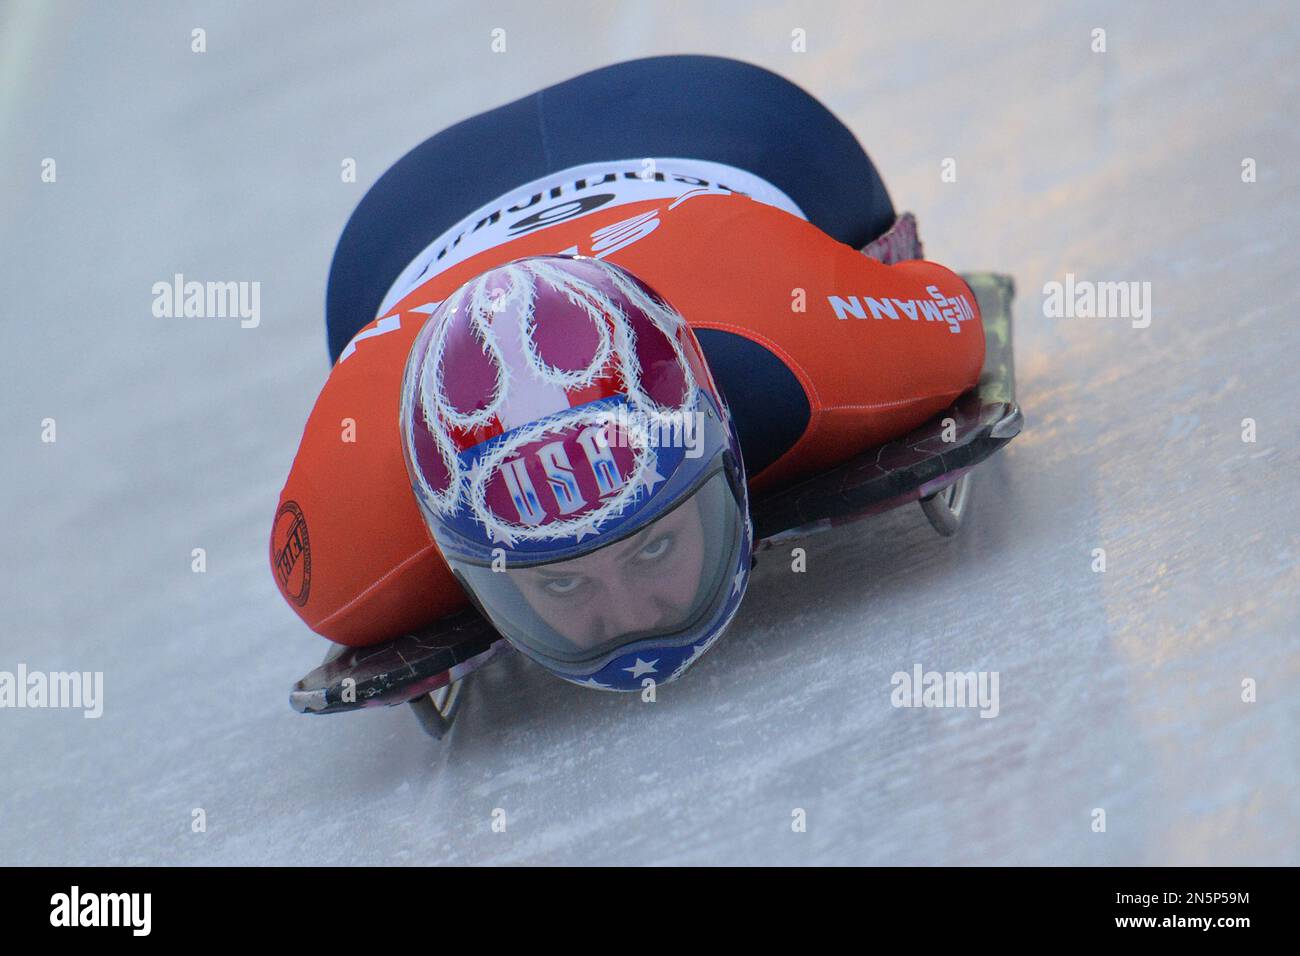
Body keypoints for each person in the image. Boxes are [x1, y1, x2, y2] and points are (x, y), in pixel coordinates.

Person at [270, 55, 985, 689]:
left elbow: (948, 310)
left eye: (656, 544)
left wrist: (865, 288)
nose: (629, 617)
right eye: (561, 579)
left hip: (722, 133)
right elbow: (948, 297)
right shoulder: (352, 542)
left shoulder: (802, 352)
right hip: (687, 120)